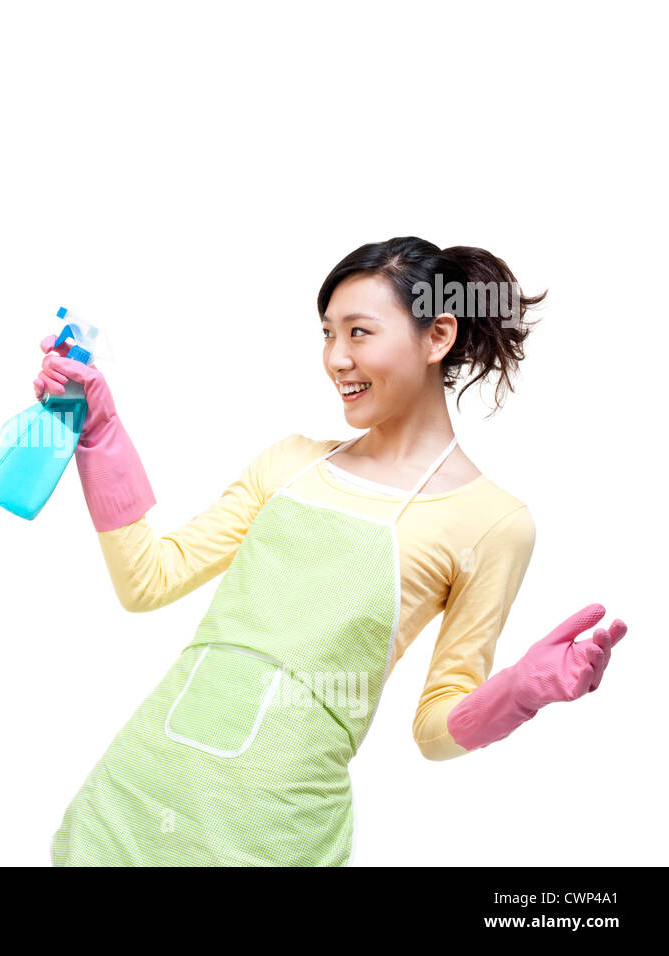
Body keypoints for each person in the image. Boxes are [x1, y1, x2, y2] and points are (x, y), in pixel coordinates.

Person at [36, 236, 629, 866]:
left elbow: (434, 730)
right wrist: (100, 434)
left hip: (273, 830)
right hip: (134, 795)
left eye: (359, 333)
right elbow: (149, 580)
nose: (336, 359)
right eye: (326, 334)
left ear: (438, 337)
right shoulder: (289, 464)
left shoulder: (492, 522)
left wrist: (519, 691)